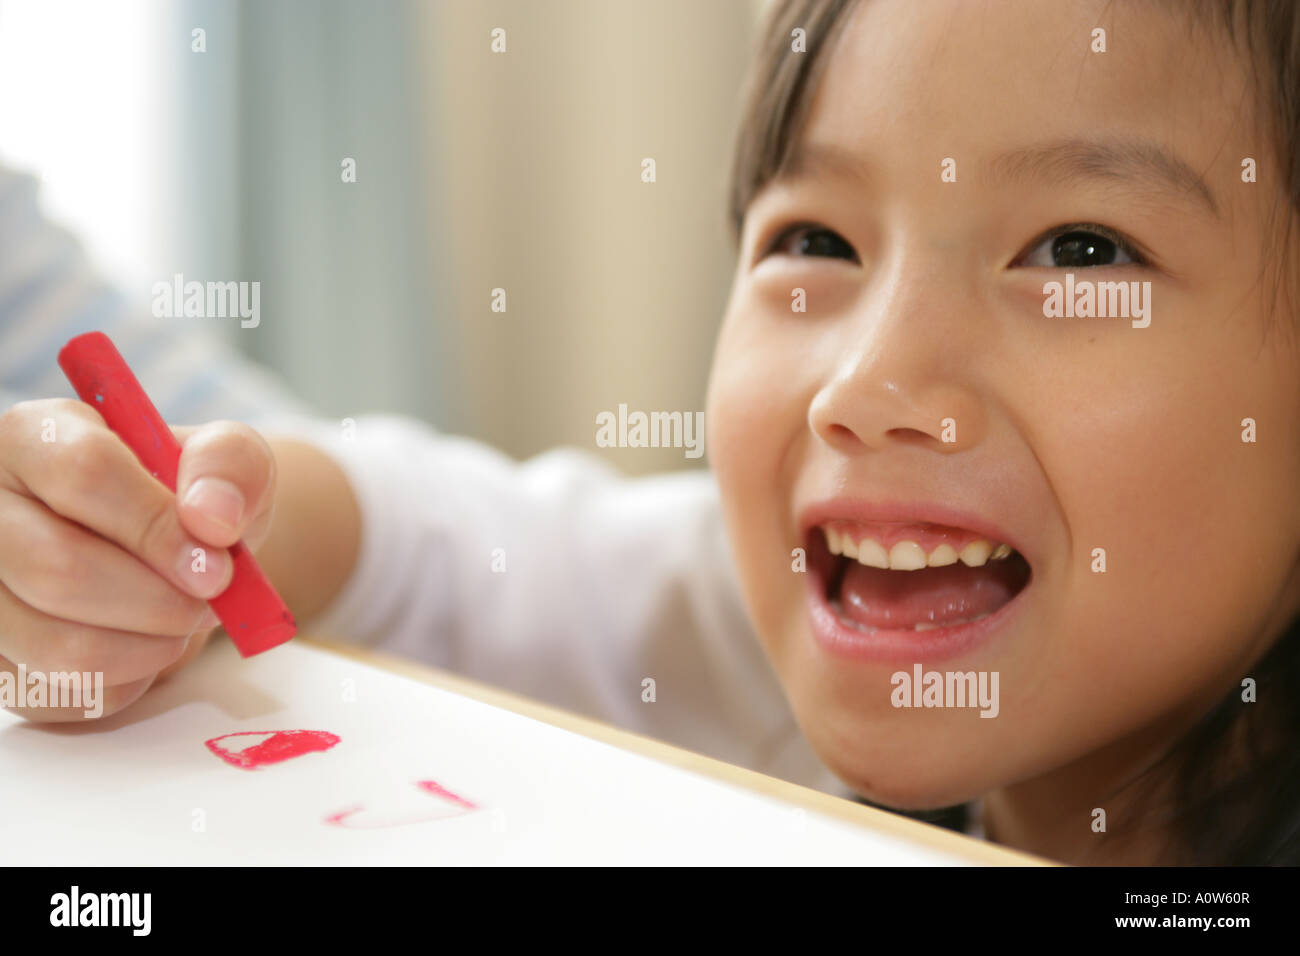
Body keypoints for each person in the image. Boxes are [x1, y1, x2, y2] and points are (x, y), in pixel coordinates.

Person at [7, 0, 1300, 865]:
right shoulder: (740, 615)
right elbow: (448, 554)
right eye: (818, 241)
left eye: (1078, 251)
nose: (868, 381)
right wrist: (227, 514)